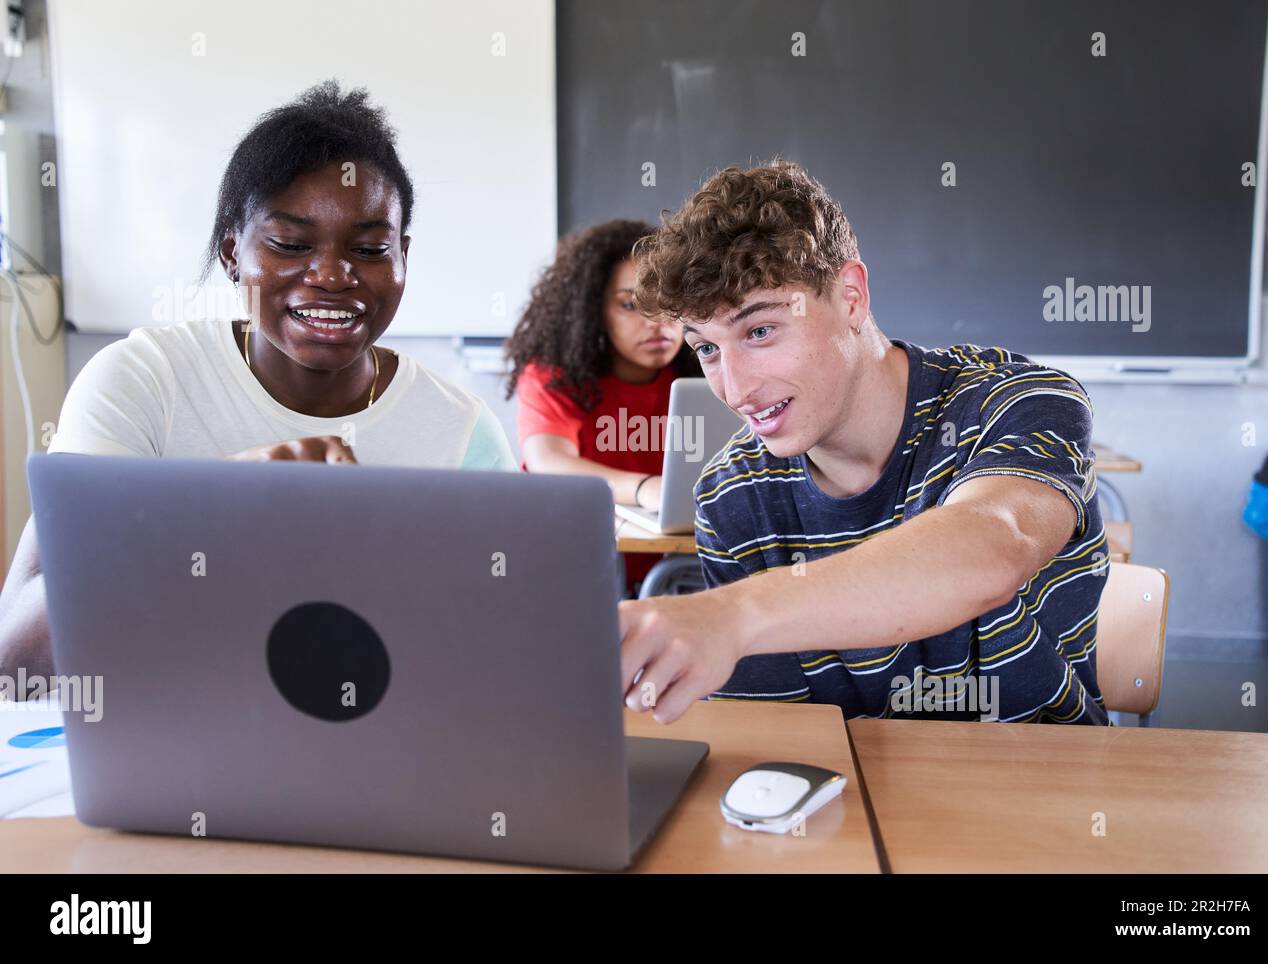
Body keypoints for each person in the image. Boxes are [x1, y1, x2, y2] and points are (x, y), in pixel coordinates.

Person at [0, 81, 514, 684]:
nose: (332, 275)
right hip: (166, 743)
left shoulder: (460, 431)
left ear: (404, 257)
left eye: (372, 248)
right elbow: (19, 659)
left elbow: (514, 645)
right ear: (230, 255)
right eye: (289, 244)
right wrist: (213, 505)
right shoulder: (141, 382)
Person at [618, 161, 1111, 726]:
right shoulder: (734, 495)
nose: (735, 388)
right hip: (845, 801)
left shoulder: (1018, 401)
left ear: (851, 297)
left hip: (1045, 790)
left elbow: (993, 546)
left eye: (759, 331)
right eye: (706, 348)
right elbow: (782, 743)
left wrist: (732, 615)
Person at [505, 219, 700, 592]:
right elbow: (549, 463)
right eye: (630, 304)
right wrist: (646, 489)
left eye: (668, 302)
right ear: (594, 310)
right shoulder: (555, 375)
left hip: (685, 575)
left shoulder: (707, 370)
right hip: (579, 577)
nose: (656, 321)